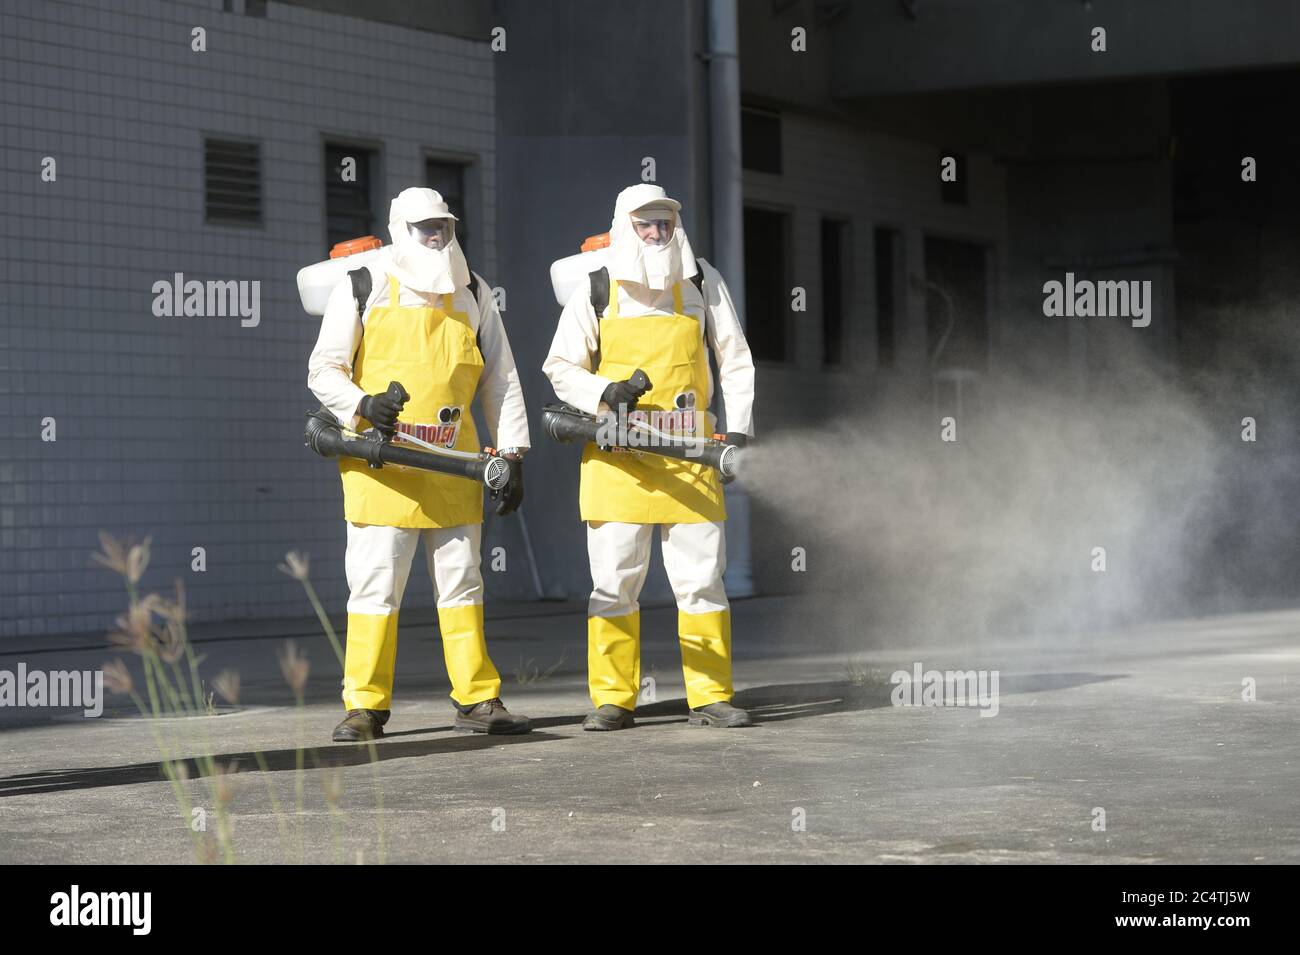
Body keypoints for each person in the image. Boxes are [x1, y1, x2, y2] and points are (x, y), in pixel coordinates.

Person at [308, 187, 530, 741]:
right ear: (402, 228)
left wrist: (511, 453)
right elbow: (324, 369)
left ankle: (478, 699)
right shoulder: (364, 285)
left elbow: (500, 377)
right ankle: (365, 706)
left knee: (463, 584)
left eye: (445, 228)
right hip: (382, 469)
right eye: (426, 227)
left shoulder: (473, 290)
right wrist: (362, 404)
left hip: (455, 465)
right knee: (375, 587)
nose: (437, 237)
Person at [543, 183, 756, 730]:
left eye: (664, 223)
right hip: (618, 461)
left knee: (703, 580)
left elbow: (735, 359)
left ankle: (710, 696)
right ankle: (614, 699)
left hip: (693, 456)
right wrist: (604, 392)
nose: (657, 233)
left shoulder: (701, 280)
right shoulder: (597, 287)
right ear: (624, 228)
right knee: (614, 582)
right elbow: (560, 367)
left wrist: (738, 431)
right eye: (645, 225)